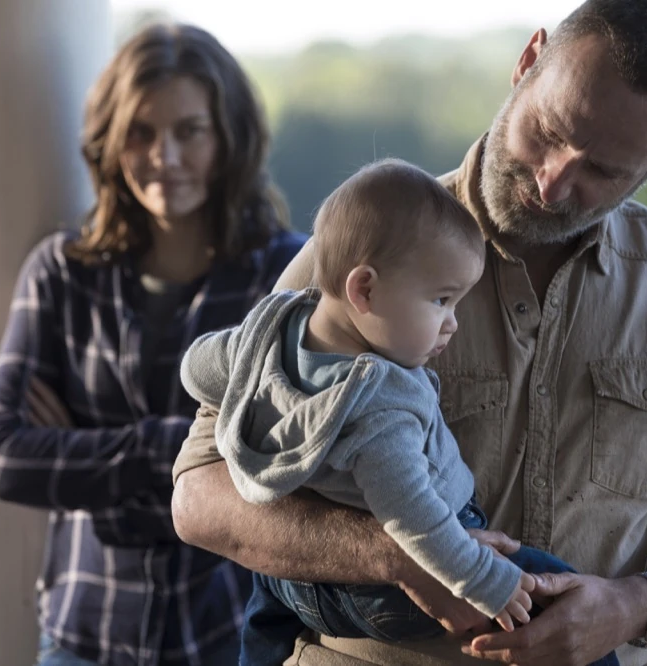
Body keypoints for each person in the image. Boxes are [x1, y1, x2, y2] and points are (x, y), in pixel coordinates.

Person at [172, 1, 647, 665]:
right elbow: (199, 496)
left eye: (604, 172)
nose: (554, 181)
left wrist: (635, 604)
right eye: (549, 131)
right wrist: (397, 556)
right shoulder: (366, 243)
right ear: (527, 61)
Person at [178, 160, 617, 666]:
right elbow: (414, 521)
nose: (452, 324)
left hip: (289, 579)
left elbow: (196, 367)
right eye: (442, 301)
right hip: (387, 591)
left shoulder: (271, 330)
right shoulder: (381, 405)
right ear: (364, 289)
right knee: (563, 600)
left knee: (264, 622)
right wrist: (484, 579)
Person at [0, 22, 305, 666]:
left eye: (190, 131)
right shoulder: (61, 273)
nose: (165, 156)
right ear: (110, 139)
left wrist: (83, 448)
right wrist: (191, 447)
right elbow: (6, 457)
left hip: (232, 632)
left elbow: (290, 458)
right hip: (84, 633)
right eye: (142, 132)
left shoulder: (284, 275)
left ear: (229, 134)